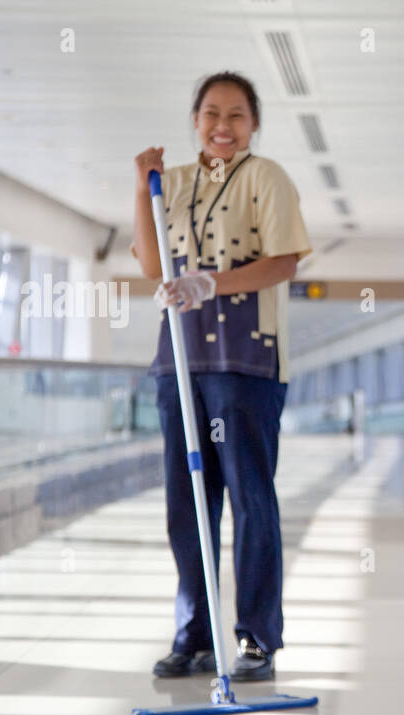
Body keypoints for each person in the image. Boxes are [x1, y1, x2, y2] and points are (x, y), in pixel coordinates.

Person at [131, 71, 311, 682]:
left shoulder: (267, 178)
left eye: (236, 115)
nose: (222, 127)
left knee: (250, 499)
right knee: (188, 506)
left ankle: (257, 638)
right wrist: (141, 189)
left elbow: (284, 260)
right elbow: (152, 262)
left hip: (247, 362)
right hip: (180, 359)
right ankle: (195, 636)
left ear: (253, 124)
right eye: (211, 114)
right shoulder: (173, 184)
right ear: (196, 121)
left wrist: (211, 283)